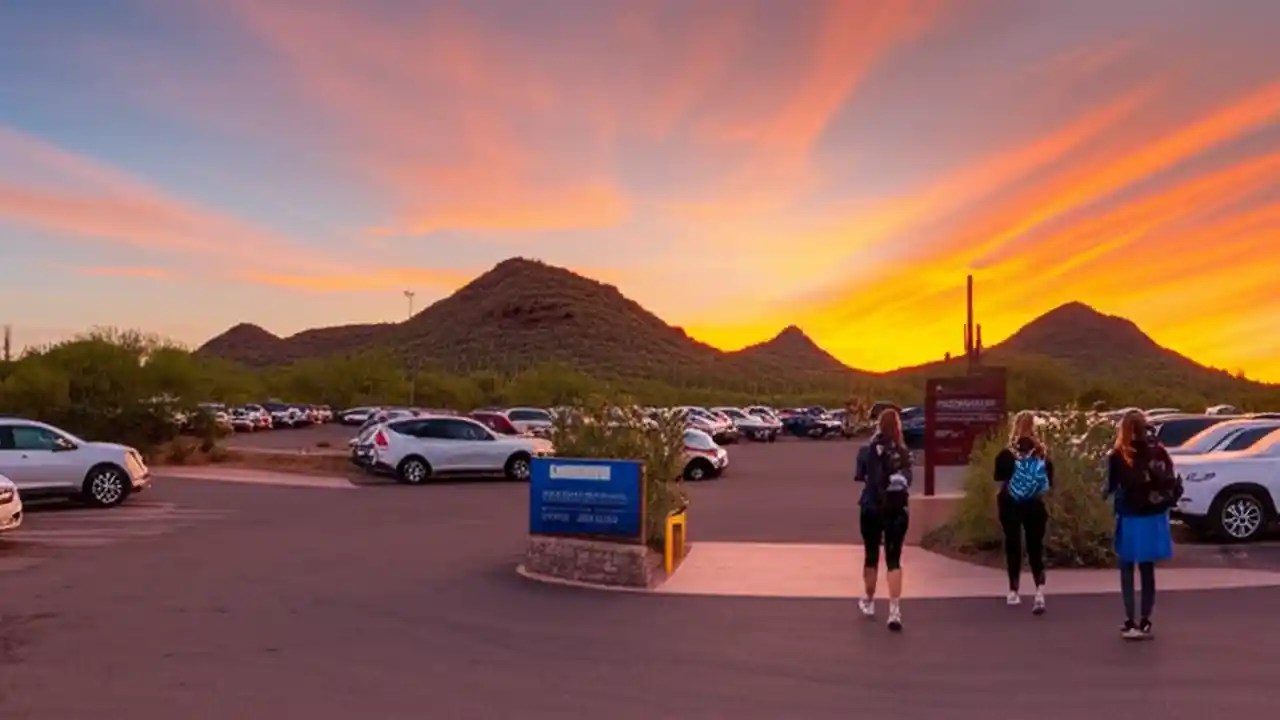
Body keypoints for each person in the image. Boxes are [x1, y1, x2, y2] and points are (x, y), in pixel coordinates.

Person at [1105, 410, 1178, 640]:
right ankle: (1146, 620)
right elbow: (1170, 478)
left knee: (1127, 570)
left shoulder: (1118, 455)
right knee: (1148, 570)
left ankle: (1130, 621)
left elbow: (1110, 486)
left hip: (1129, 516)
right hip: (1153, 516)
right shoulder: (1158, 450)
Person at [854, 408, 913, 632]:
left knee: (871, 555)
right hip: (896, 509)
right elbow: (908, 479)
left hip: (871, 507)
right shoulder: (903, 452)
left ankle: (869, 600)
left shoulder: (866, 451)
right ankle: (894, 609)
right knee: (894, 559)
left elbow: (860, 475)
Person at [994, 411, 1053, 614]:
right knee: (1035, 547)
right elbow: (1048, 483)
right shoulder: (1041, 453)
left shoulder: (1007, 453)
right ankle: (1039, 592)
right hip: (1035, 505)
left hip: (1010, 503)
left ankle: (1013, 591)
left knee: (1013, 545)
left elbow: (998, 477)